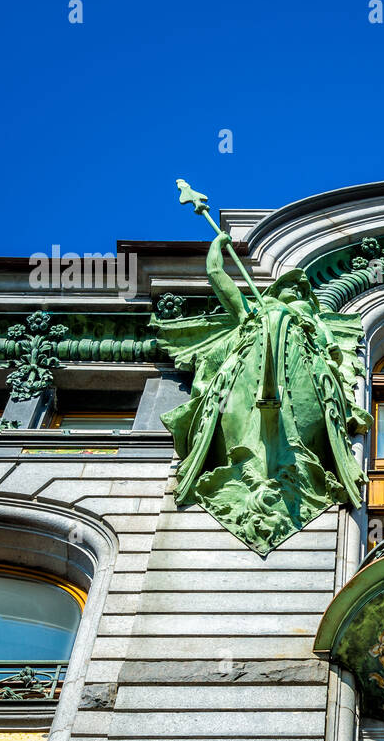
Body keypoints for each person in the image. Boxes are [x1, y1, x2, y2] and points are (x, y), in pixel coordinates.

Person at [153, 232, 370, 555]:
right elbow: (219, 280)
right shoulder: (255, 313)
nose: (299, 290)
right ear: (275, 291)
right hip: (249, 379)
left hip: (305, 382)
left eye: (303, 289)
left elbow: (336, 357)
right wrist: (218, 249)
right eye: (292, 287)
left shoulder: (316, 328)